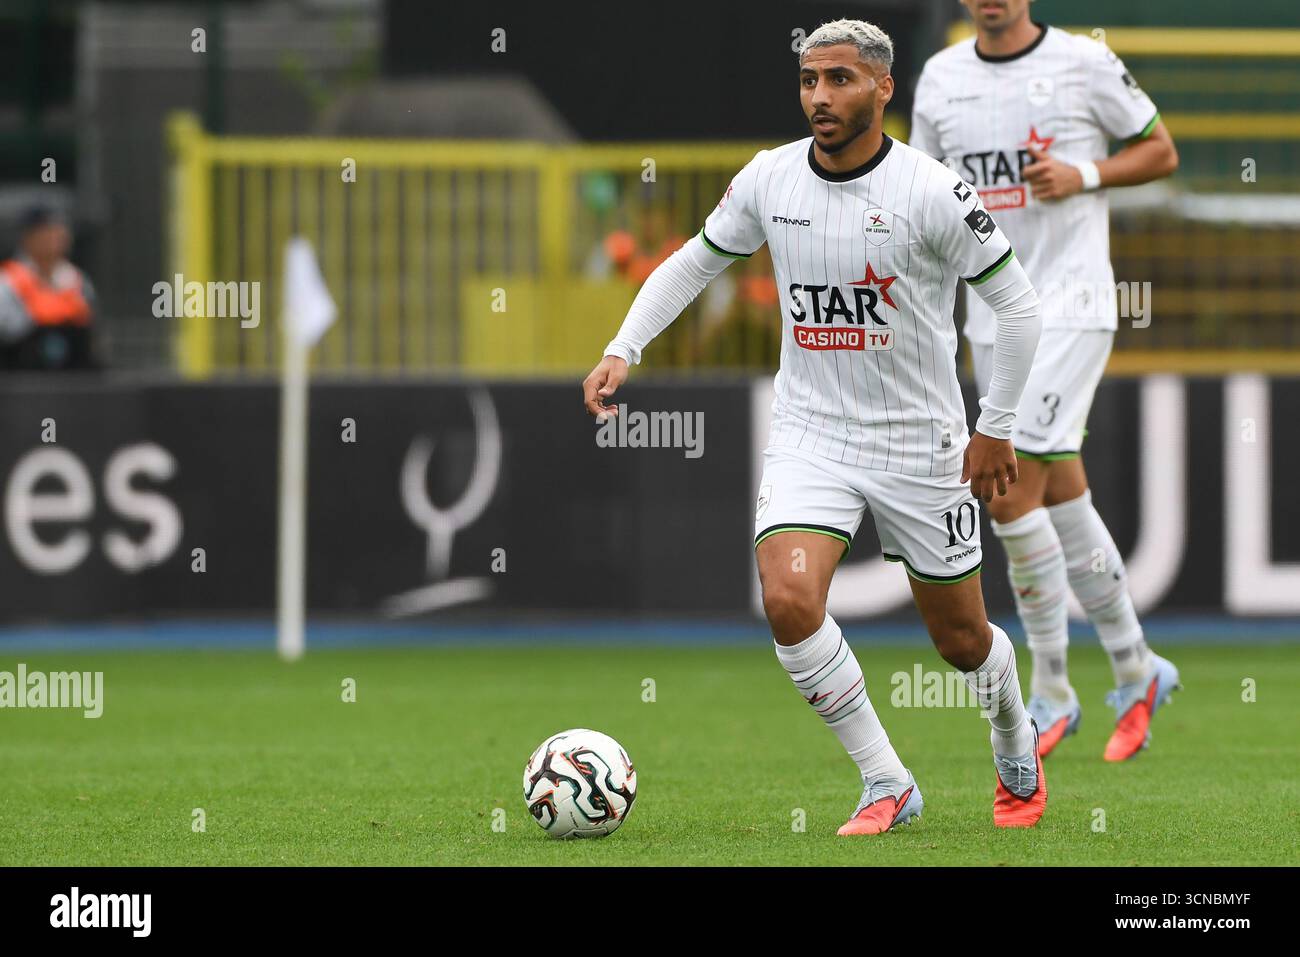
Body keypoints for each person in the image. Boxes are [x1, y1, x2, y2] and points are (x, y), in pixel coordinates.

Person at [584, 19, 1048, 833]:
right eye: (808, 80)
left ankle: (1013, 726)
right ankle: (886, 780)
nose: (820, 97)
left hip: (920, 441)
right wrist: (626, 345)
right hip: (812, 435)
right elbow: (696, 259)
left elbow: (1018, 305)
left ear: (881, 89)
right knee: (790, 600)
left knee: (963, 641)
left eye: (839, 80)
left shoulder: (932, 191)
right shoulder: (769, 180)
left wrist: (996, 426)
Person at [910, 0, 1181, 761]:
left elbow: (1161, 151)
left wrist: (1085, 172)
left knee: (1011, 481)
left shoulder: (1084, 62)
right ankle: (1135, 664)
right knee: (1059, 485)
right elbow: (926, 195)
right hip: (990, 317)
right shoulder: (939, 78)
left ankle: (1054, 687)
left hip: (1070, 305)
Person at [0, 205, 99, 371]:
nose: (56, 237)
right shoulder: (8, 282)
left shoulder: (77, 280)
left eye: (60, 231)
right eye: (47, 231)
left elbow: (90, 330)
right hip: (20, 380)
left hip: (74, 379)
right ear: (28, 237)